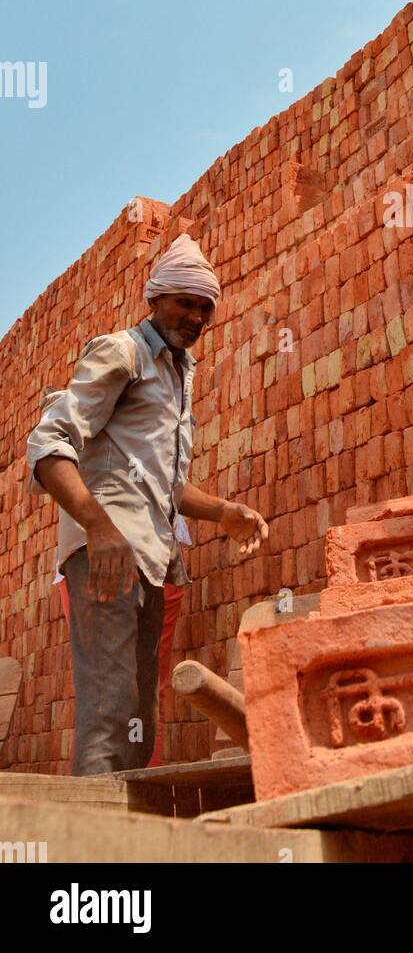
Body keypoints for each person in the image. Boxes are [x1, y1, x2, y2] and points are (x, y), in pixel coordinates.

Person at [26, 233, 268, 775]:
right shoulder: (123, 351)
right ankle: (91, 842)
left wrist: (223, 511)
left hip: (153, 561)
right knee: (111, 704)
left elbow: (164, 486)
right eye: (185, 302)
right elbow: (47, 445)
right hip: (109, 554)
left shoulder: (177, 374)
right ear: (154, 299)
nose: (196, 316)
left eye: (205, 307)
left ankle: (130, 837)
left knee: (142, 709)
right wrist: (99, 528)